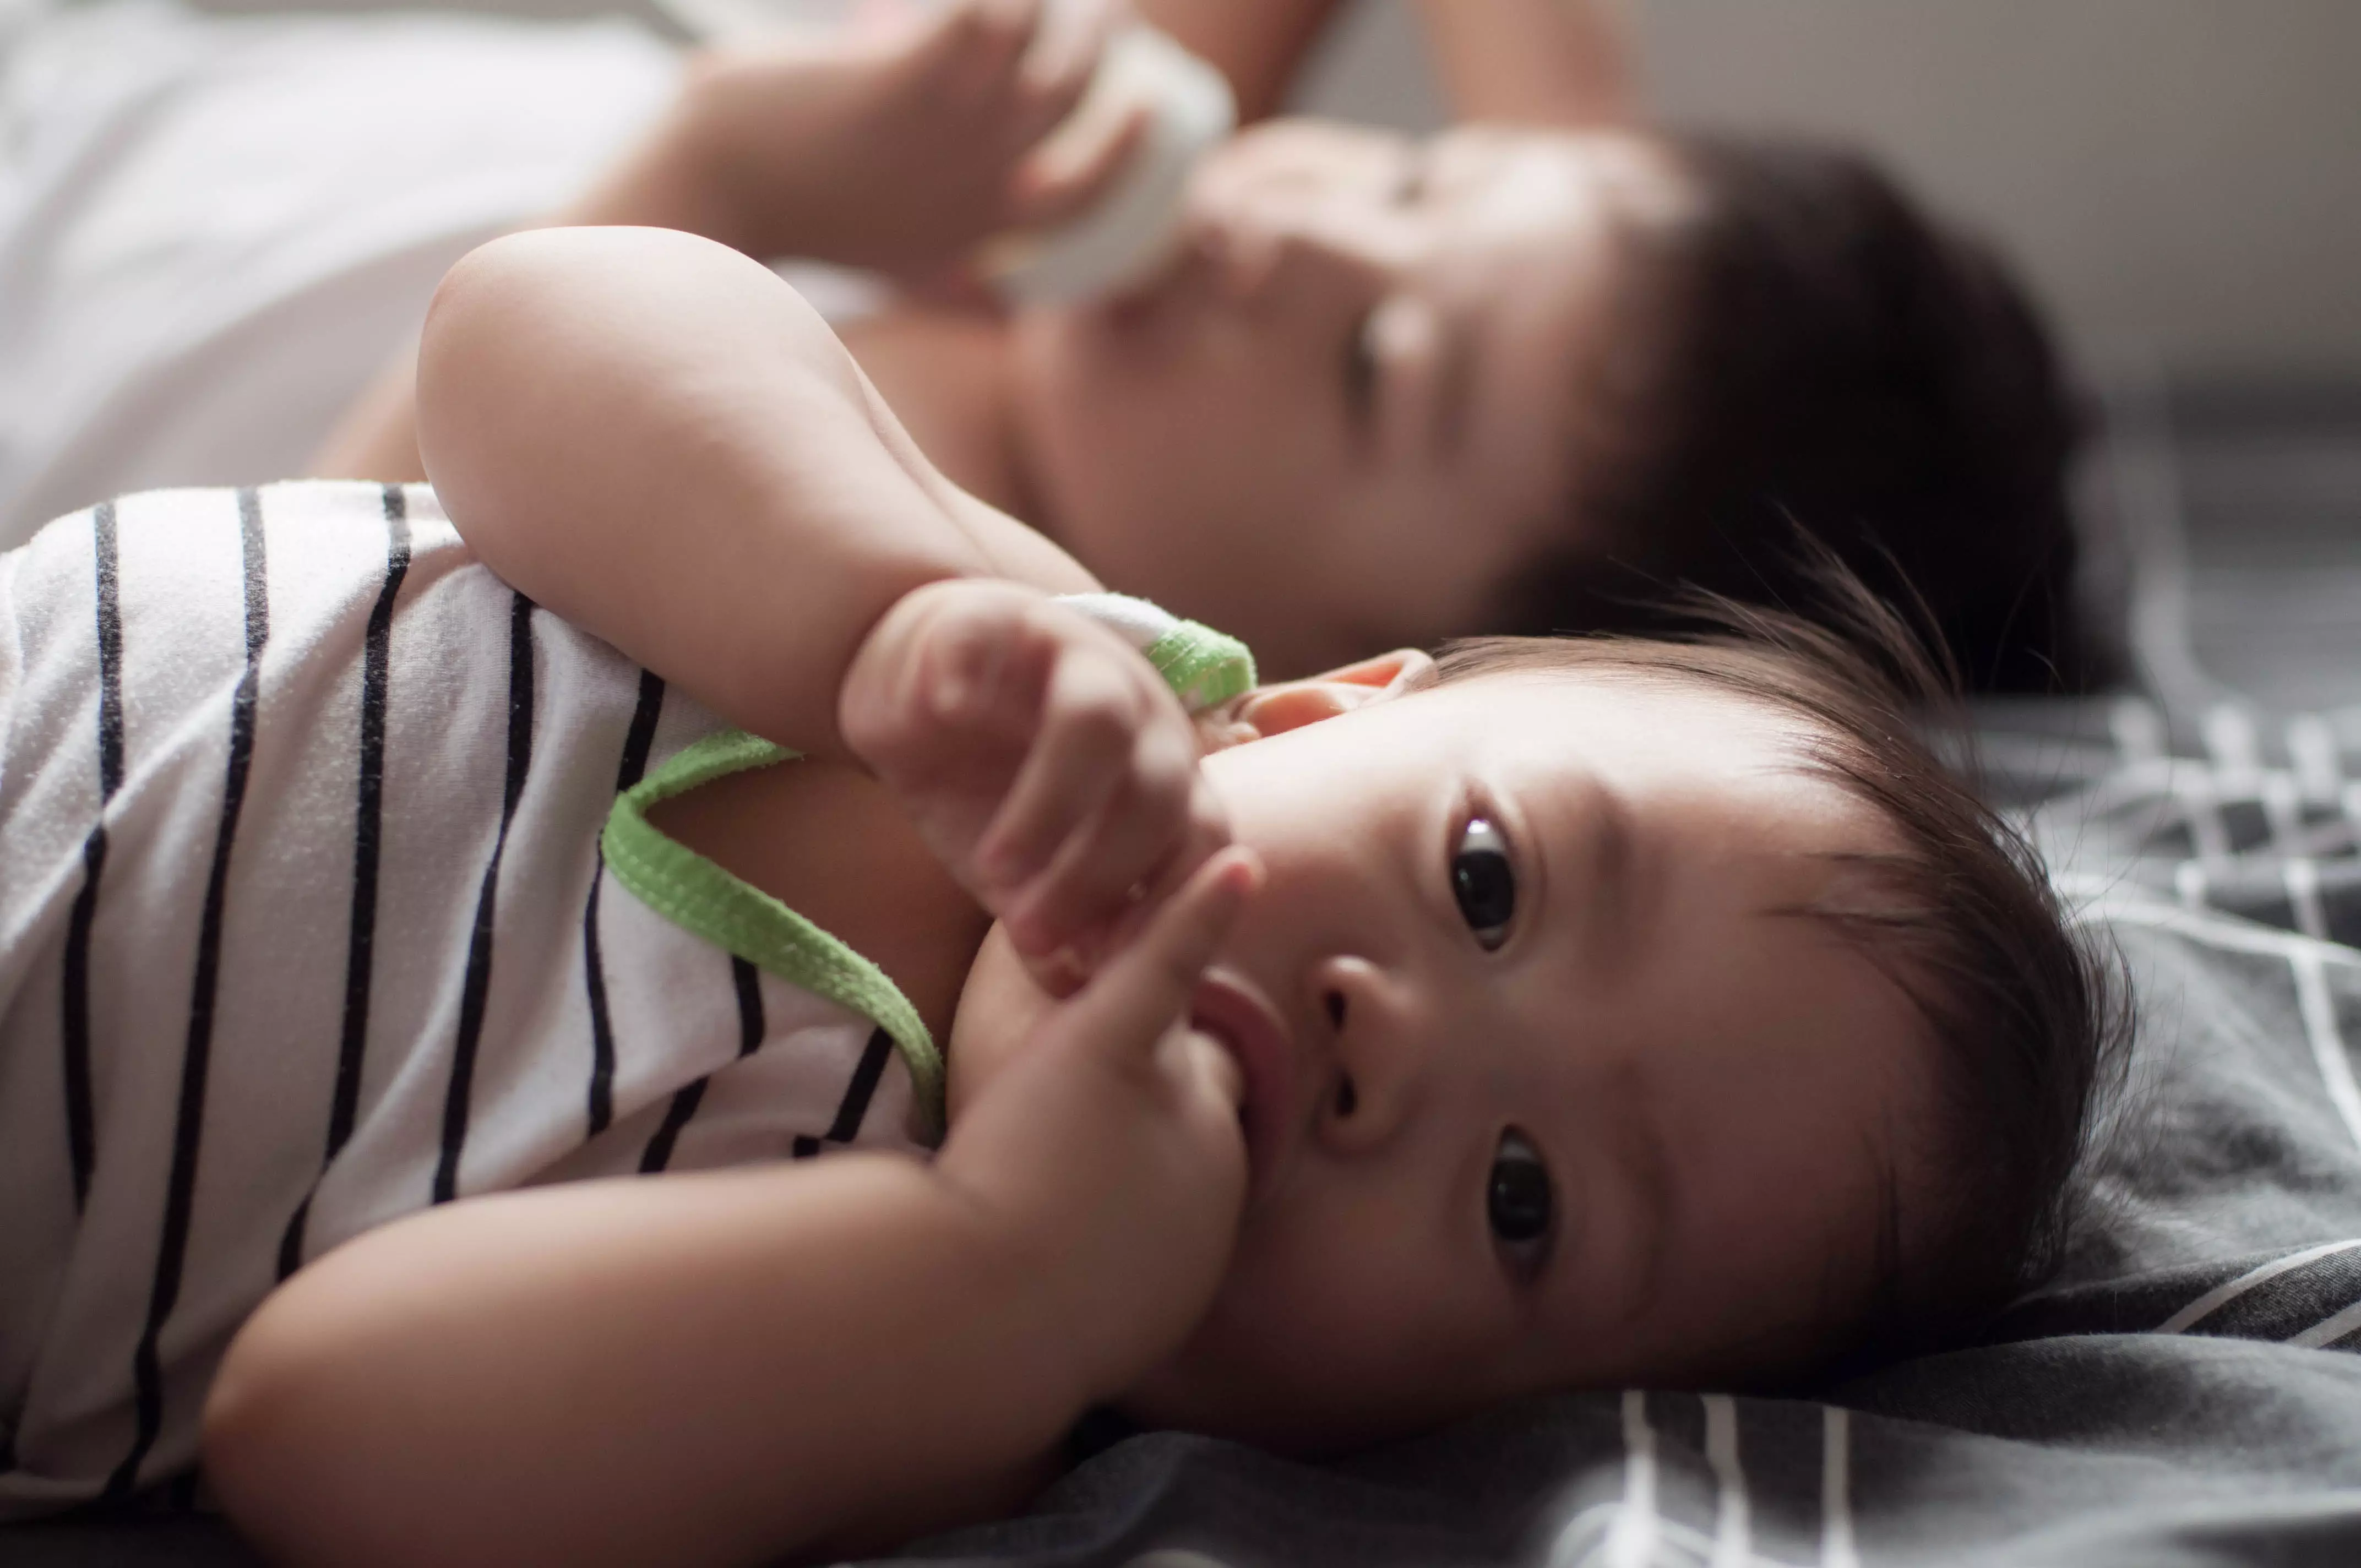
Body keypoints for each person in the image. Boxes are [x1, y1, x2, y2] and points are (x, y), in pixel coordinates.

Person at [1, 225, 2122, 1561]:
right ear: (1317, 707)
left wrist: (996, 1267)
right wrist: (866, 604)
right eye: (1487, 882)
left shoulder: (910, 1378)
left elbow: (322, 1442)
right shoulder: (1019, 638)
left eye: (1522, 1204)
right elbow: (521, 329)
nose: (1405, 1038)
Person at [309, 0, 2094, 690]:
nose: (1288, 223)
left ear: (1371, 671)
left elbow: (259, 644)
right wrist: (1568, 140)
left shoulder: (876, 620)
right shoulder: (1052, 237)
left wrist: (719, 174)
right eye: (1406, 175)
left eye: (1381, 365)